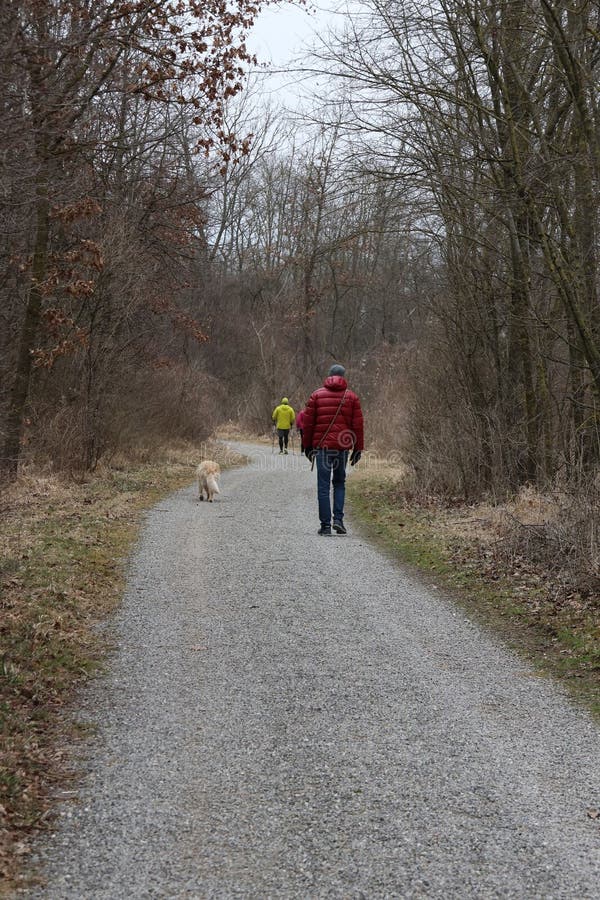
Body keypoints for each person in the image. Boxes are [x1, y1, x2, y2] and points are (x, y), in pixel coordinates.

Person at [302, 364, 364, 535]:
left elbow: (308, 425)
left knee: (323, 486)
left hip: (323, 448)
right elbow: (357, 425)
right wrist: (358, 448)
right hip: (342, 449)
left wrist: (307, 447)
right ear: (343, 377)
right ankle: (338, 520)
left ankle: (326, 526)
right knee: (339, 483)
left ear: (329, 376)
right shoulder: (352, 397)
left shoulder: (316, 395)